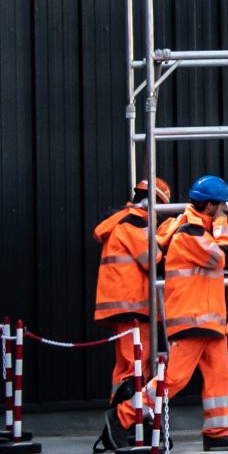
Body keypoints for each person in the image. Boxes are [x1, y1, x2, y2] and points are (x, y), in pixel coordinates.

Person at [110, 174, 228, 452]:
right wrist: (222, 226)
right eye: (222, 207)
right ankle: (121, 416)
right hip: (192, 320)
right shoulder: (189, 233)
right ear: (209, 206)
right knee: (174, 379)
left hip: (211, 320)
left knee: (219, 377)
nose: (226, 211)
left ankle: (216, 433)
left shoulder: (196, 230)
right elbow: (222, 259)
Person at [91, 178, 165, 427]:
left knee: (126, 366)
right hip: (132, 306)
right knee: (134, 366)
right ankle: (125, 421)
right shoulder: (135, 223)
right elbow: (152, 259)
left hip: (124, 306)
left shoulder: (122, 221)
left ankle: (121, 418)